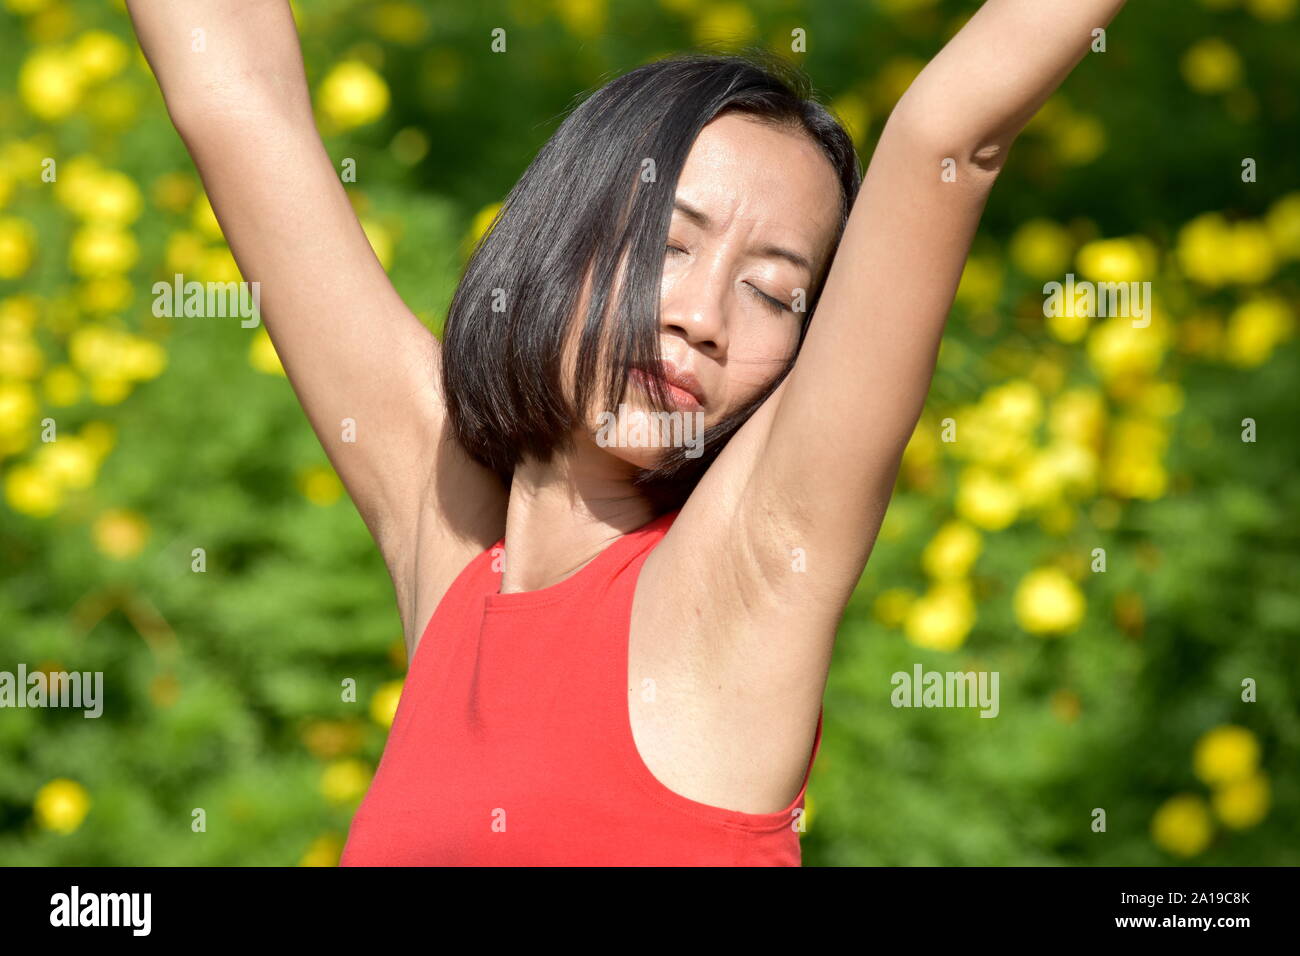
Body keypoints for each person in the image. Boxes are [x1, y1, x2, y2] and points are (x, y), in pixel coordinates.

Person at [127, 0, 1128, 865]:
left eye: (774, 291)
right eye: (670, 242)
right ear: (562, 228)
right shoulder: (451, 535)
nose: (703, 314)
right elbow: (236, 102)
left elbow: (946, 143)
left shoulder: (743, 581)